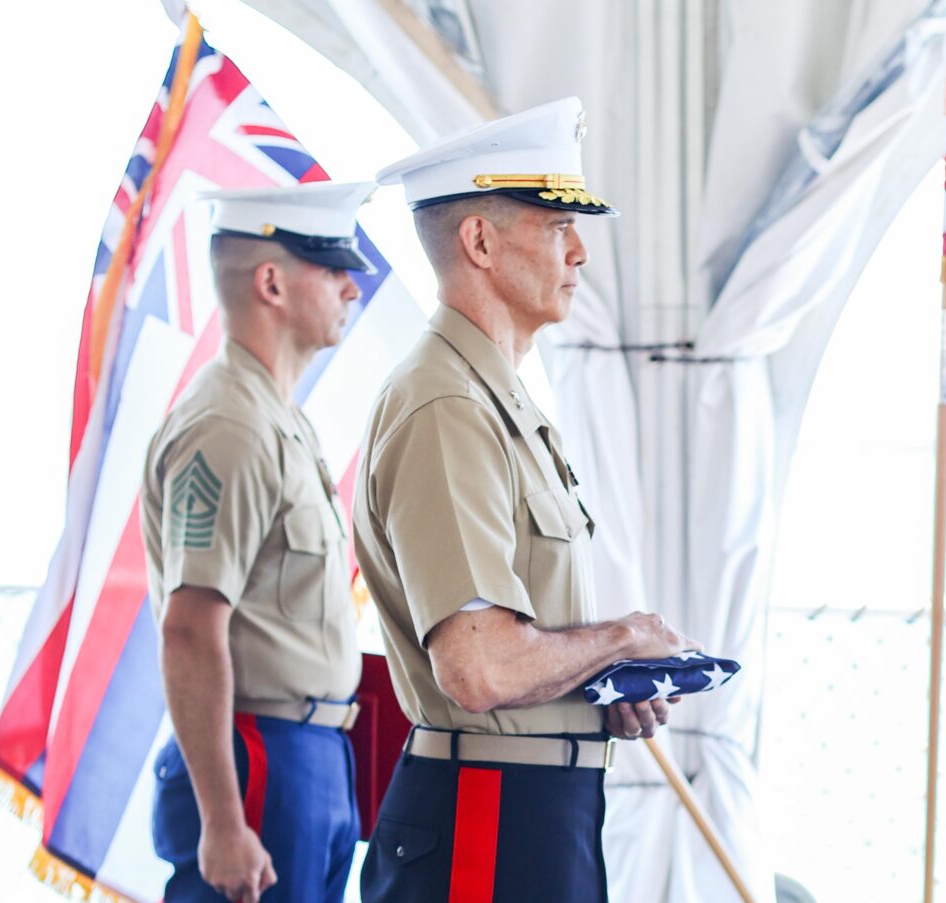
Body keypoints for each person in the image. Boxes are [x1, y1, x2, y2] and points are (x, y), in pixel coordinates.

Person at [354, 97, 698, 903]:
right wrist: (620, 639)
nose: (579, 250)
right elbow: (478, 667)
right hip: (487, 812)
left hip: (533, 808)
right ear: (478, 241)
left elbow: (515, 652)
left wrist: (600, 681)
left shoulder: (493, 396)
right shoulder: (448, 405)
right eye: (554, 224)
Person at [140, 181, 376, 903]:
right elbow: (188, 628)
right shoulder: (232, 425)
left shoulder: (278, 418)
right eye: (331, 265)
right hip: (258, 758)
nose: (352, 283)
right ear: (271, 282)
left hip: (311, 756)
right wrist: (221, 819)